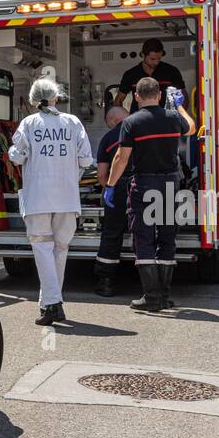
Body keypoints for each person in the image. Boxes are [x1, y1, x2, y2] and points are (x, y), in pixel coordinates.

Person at [7, 76, 94, 325]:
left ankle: (53, 303)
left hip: (38, 198)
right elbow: (86, 159)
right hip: (67, 197)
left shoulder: (29, 123)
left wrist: (16, 152)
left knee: (42, 249)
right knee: (60, 249)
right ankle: (50, 305)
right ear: (56, 97)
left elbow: (17, 156)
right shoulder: (72, 122)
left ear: (35, 99)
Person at [105, 76, 196, 311]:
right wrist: (179, 105)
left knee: (143, 238)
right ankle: (164, 296)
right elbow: (192, 127)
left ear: (136, 97)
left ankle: (152, 296)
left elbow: (121, 157)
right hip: (169, 184)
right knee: (167, 238)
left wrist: (111, 184)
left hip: (144, 185)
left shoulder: (132, 122)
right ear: (159, 95)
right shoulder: (173, 117)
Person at [94, 105, 130, 296]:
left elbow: (101, 173)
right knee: (147, 234)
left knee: (111, 234)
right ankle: (152, 287)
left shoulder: (108, 138)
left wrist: (107, 188)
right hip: (148, 185)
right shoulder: (144, 127)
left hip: (118, 187)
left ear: (113, 120)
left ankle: (105, 282)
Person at [117, 39, 187, 112]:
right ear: (143, 55)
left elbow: (183, 97)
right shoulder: (131, 74)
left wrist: (179, 118)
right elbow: (118, 100)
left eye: (159, 58)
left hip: (165, 120)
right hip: (138, 121)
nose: (156, 62)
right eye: (152, 59)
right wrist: (123, 119)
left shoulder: (171, 71)